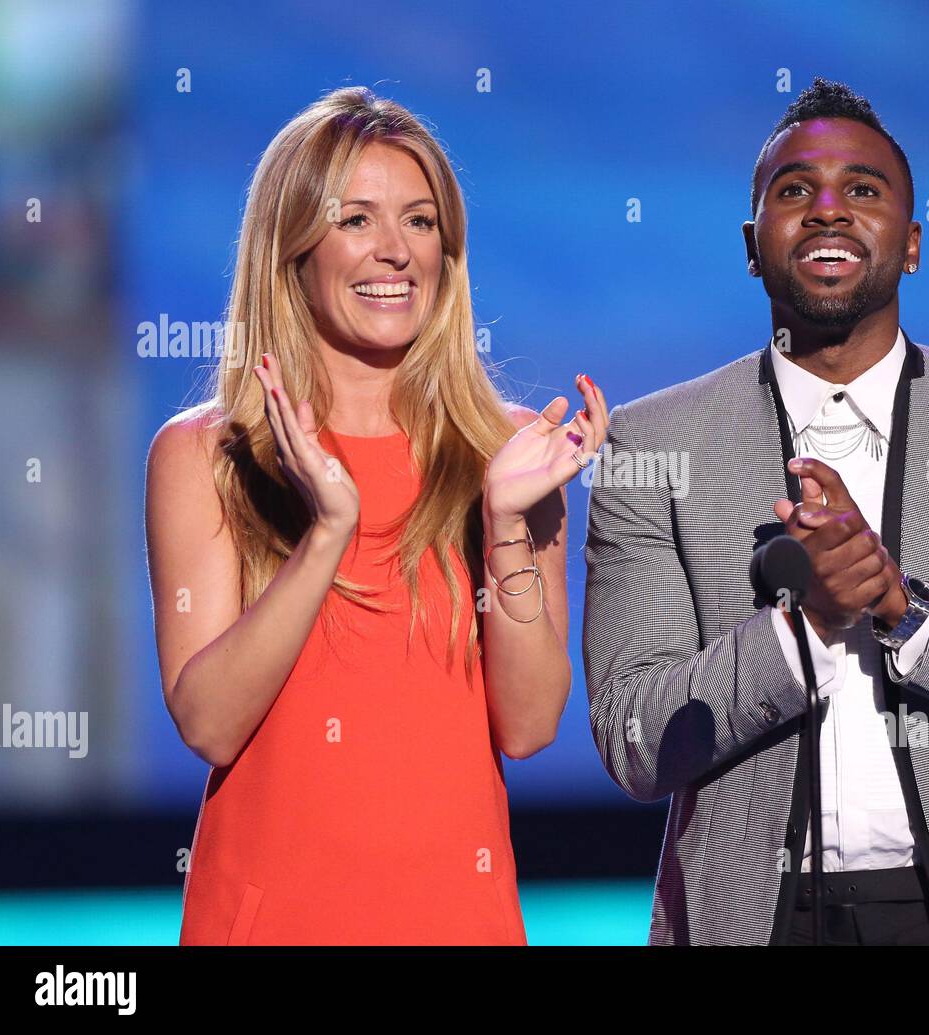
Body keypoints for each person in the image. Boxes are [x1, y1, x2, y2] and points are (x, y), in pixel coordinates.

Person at [582, 77, 929, 945]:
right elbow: (634, 740)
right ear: (751, 244)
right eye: (794, 190)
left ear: (911, 243)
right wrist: (798, 632)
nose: (828, 211)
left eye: (864, 191)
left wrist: (902, 609)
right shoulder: (652, 441)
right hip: (753, 921)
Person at [145, 87, 608, 944]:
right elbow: (209, 724)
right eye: (357, 219)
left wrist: (507, 519)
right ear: (293, 247)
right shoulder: (207, 455)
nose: (396, 252)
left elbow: (533, 721)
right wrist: (328, 532)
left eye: (421, 222)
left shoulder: (508, 450)